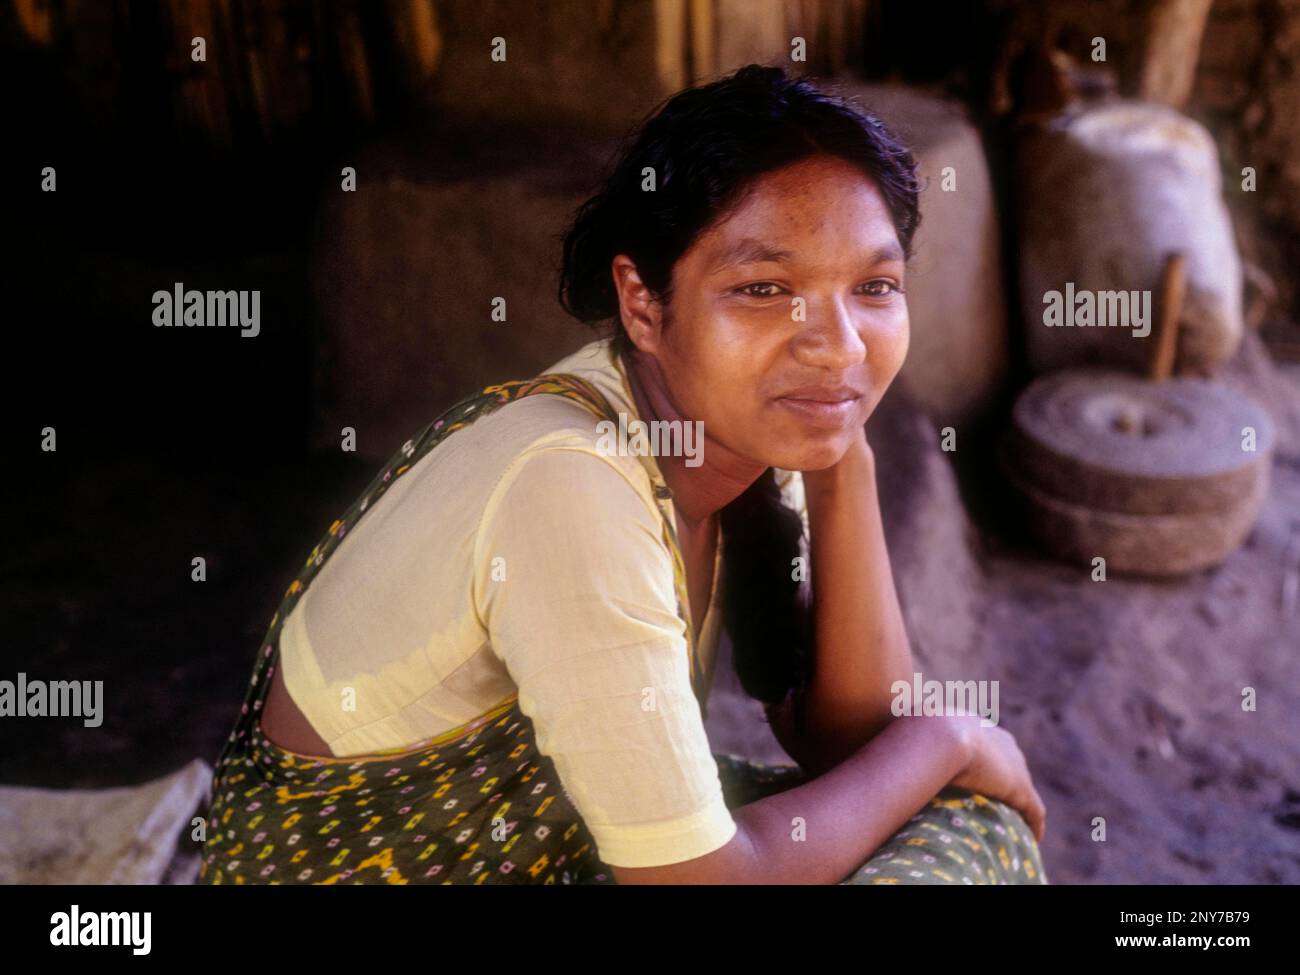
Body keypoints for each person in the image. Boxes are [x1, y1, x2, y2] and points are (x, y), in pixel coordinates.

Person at [197, 63, 1047, 885]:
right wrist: (952, 740)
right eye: (762, 287)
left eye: (873, 286)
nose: (838, 344)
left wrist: (843, 461)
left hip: (534, 856)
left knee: (954, 821)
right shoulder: (571, 483)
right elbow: (697, 883)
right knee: (948, 836)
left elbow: (850, 738)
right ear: (643, 304)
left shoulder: (732, 428)